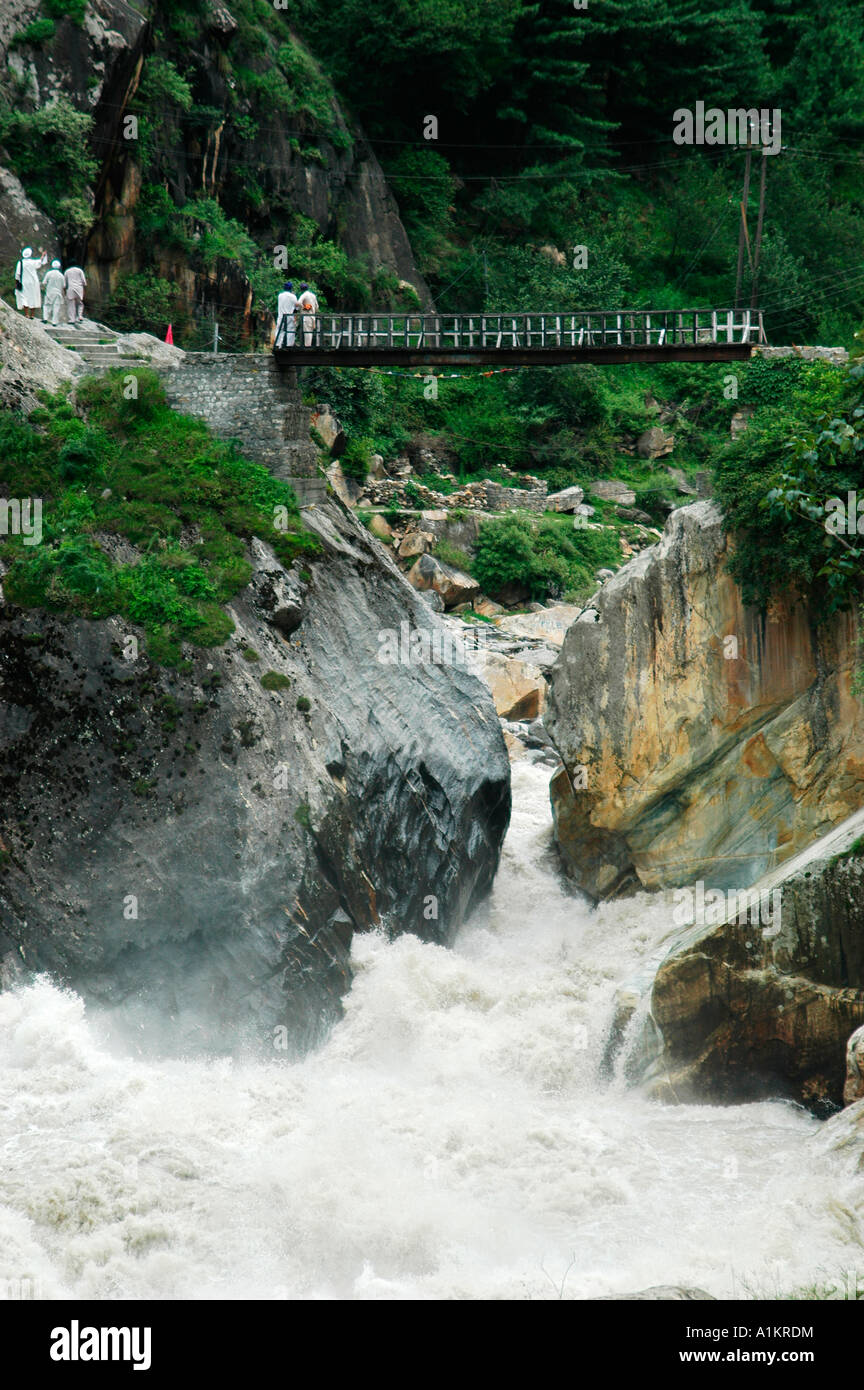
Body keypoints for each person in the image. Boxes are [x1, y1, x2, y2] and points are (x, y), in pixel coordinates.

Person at [14, 247, 46, 319]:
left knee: (25, 297)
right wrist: (43, 255)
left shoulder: (20, 262)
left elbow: (17, 274)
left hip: (24, 282)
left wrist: (16, 283)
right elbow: (40, 261)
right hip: (34, 282)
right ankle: (32, 315)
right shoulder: (33, 262)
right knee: (33, 297)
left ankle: (26, 314)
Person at [41, 259, 66, 326]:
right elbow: (64, 286)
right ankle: (54, 322)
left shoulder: (49, 273)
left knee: (46, 305)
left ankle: (45, 318)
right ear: (59, 266)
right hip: (58, 293)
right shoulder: (61, 275)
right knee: (56, 307)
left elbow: (44, 282)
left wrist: (44, 289)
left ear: (52, 266)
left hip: (49, 292)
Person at [276, 280, 298, 346]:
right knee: (290, 331)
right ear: (291, 288)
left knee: (279, 331)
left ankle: (277, 345)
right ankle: (289, 345)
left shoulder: (280, 296)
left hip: (281, 316)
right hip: (289, 317)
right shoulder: (293, 297)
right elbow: (296, 308)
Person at [297, 282, 319, 347]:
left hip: (306, 317)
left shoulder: (304, 295)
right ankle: (308, 346)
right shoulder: (313, 295)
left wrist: (305, 308)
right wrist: (312, 310)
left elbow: (298, 303)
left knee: (307, 333)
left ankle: (307, 347)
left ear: (301, 289)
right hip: (313, 317)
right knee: (310, 333)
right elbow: (317, 307)